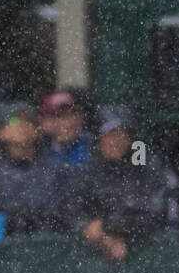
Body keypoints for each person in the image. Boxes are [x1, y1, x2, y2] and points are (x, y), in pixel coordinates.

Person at [67, 106, 169, 261]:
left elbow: (156, 212)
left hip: (148, 259)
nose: (116, 140)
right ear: (99, 138)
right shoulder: (87, 172)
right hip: (91, 266)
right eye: (109, 135)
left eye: (121, 134)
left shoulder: (146, 167)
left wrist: (109, 227)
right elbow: (70, 211)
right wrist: (93, 232)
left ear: (129, 137)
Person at [0, 102, 72, 233]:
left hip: (47, 244)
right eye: (14, 120)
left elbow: (64, 214)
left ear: (37, 131)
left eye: (29, 120)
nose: (22, 125)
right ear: (0, 132)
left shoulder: (57, 170)